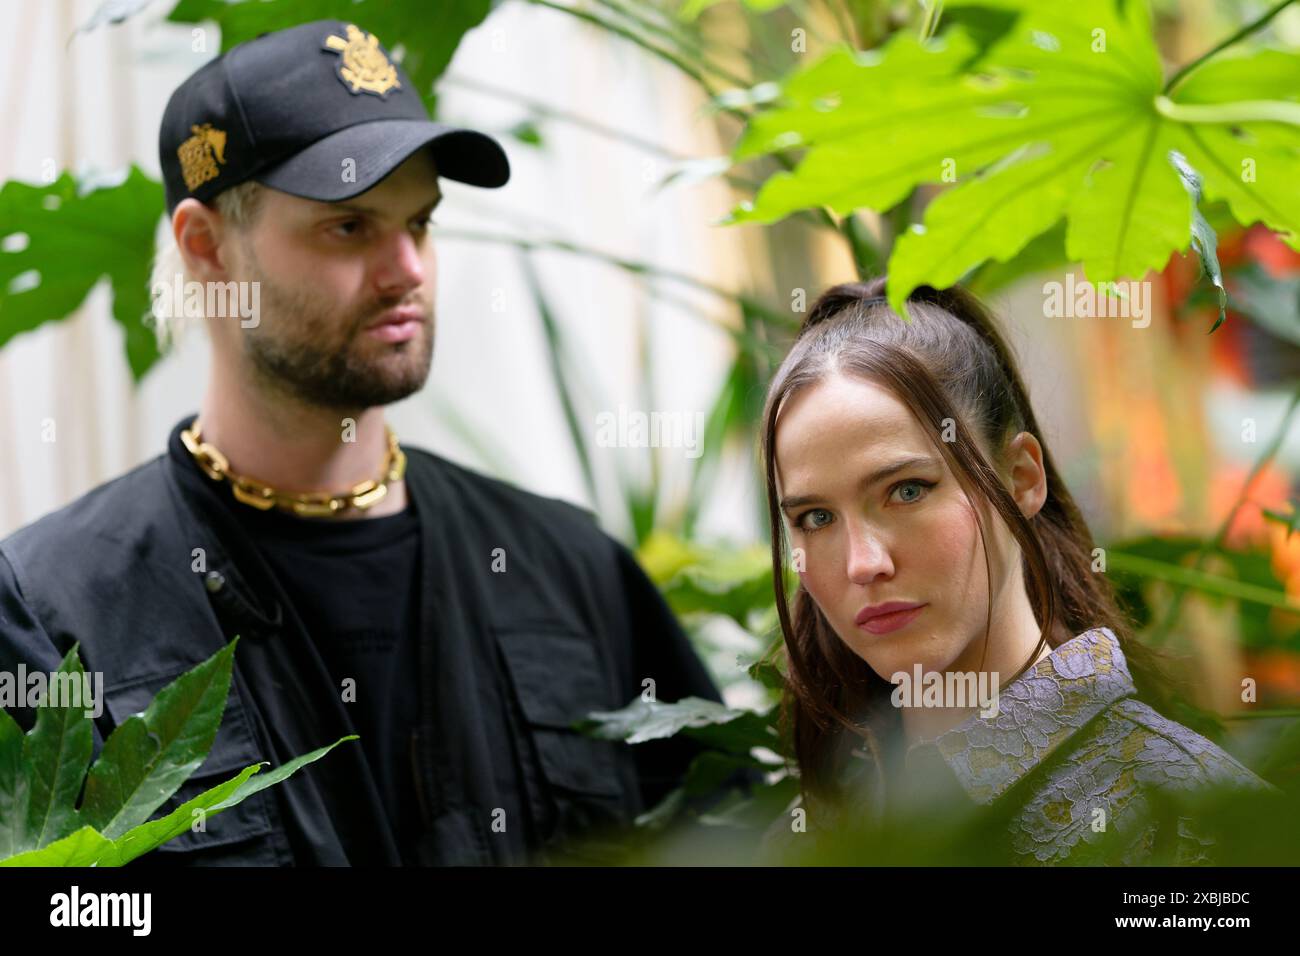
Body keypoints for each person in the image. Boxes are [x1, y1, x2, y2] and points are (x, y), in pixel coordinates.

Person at [0, 19, 730, 866]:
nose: (408, 270)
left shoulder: (568, 565)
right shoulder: (54, 609)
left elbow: (725, 836)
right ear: (207, 247)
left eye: (418, 223)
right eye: (349, 228)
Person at [758, 277, 1276, 864]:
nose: (863, 563)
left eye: (906, 490)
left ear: (1022, 477)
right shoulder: (819, 825)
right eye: (816, 517)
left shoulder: (1192, 820)